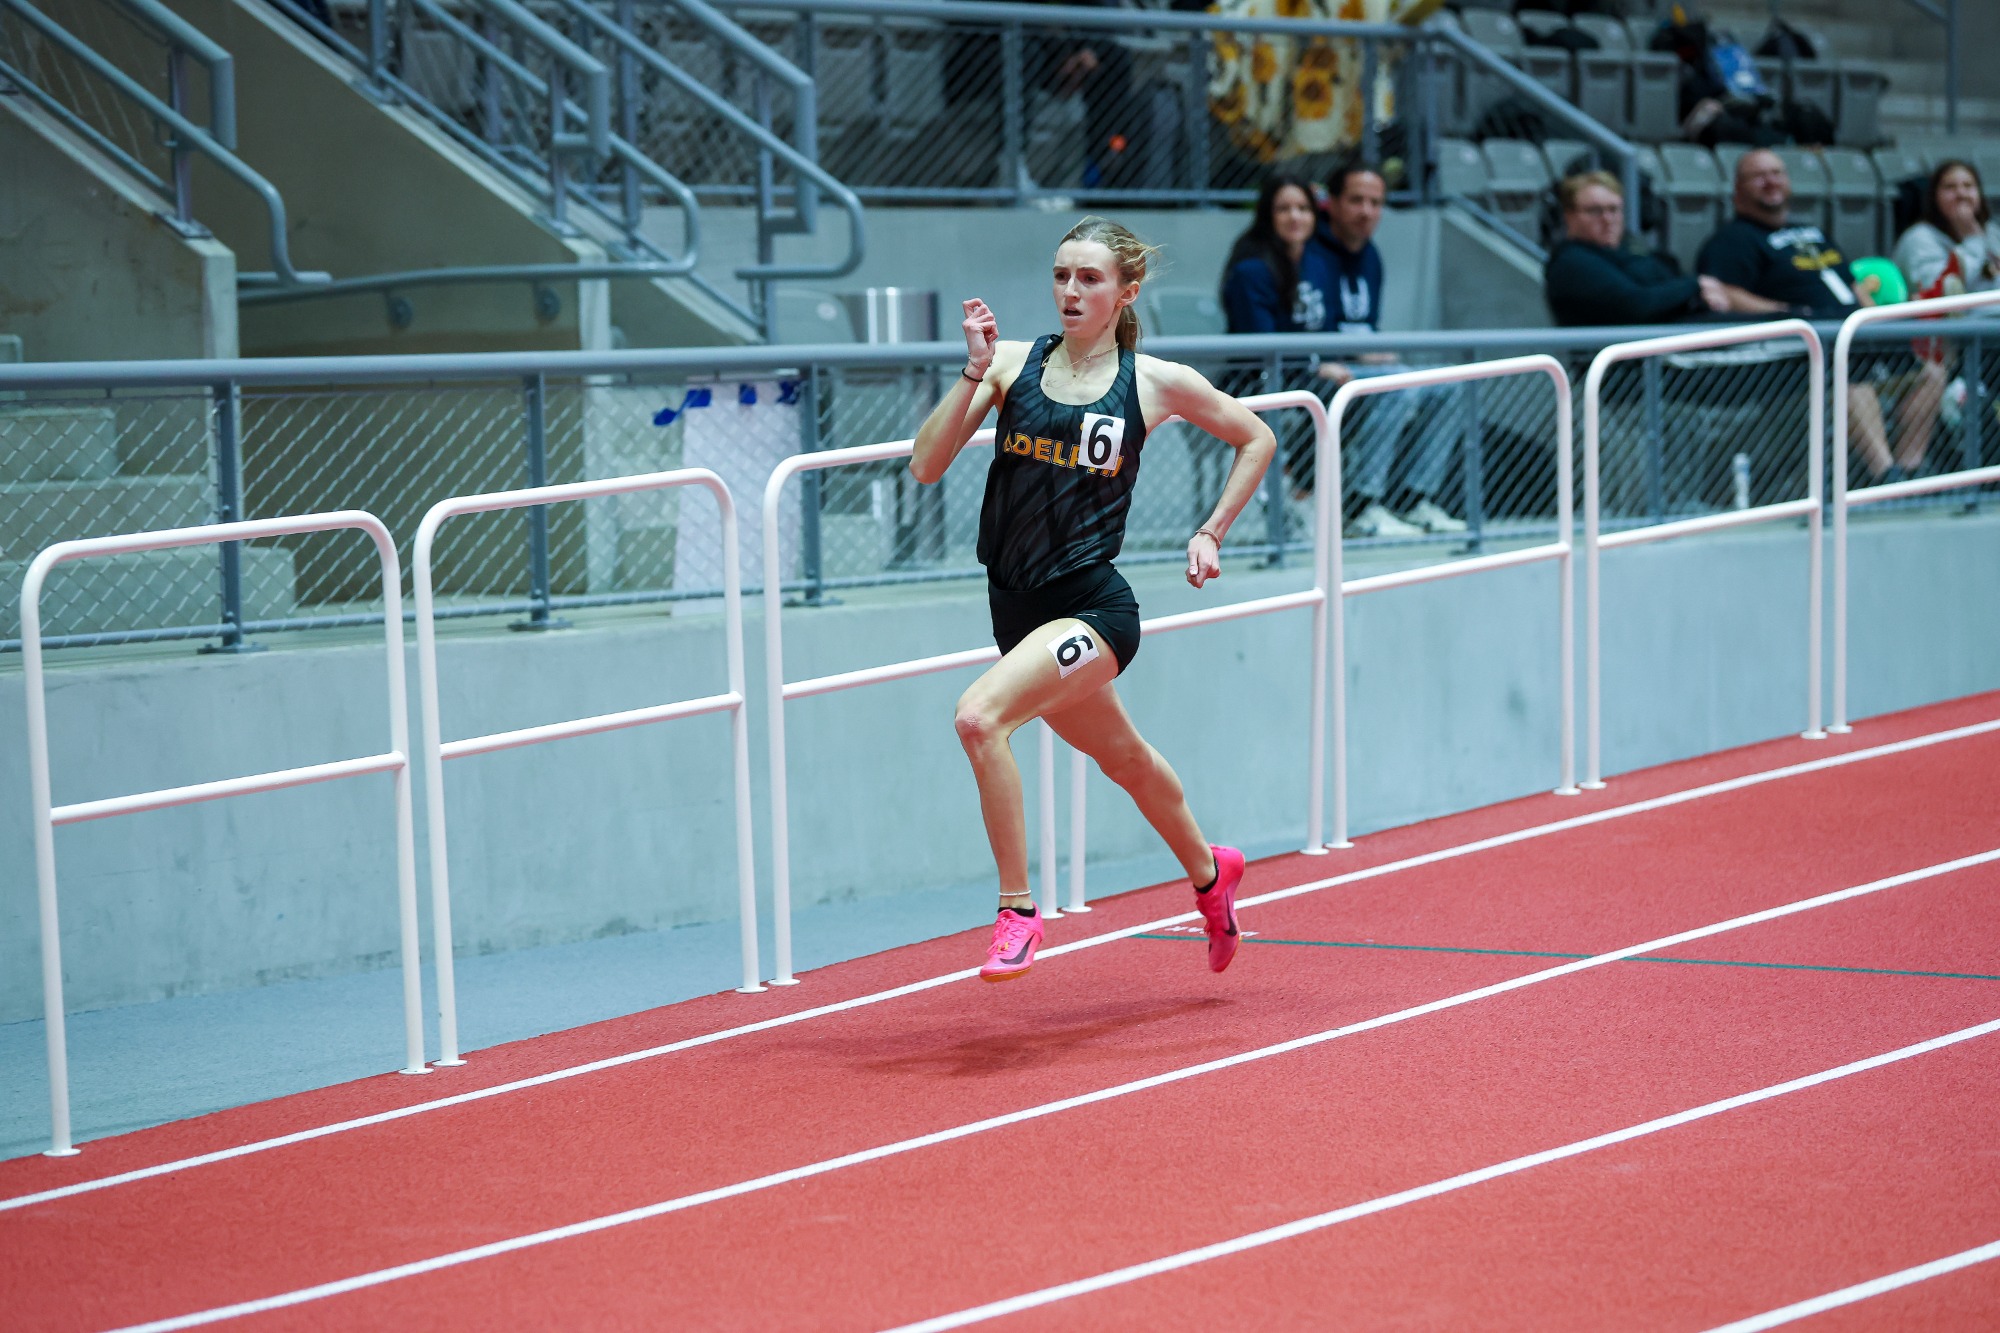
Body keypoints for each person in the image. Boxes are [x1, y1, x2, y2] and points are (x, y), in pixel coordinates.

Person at [911, 217, 1274, 983]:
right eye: (1061, 276)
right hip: (1016, 613)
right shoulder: (1010, 364)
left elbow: (1256, 438)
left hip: (1094, 610)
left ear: (1126, 291)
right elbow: (926, 466)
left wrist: (1211, 530)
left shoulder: (1152, 381)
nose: (1071, 291)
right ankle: (1214, 874)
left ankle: (1017, 912)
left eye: (1090, 279)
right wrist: (972, 373)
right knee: (1128, 761)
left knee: (980, 718)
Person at [1699, 148, 1944, 482]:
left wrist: (1878, 320)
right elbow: (1724, 292)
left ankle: (1910, 472)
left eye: (1777, 172)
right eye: (1759, 175)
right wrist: (1787, 314)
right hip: (1806, 358)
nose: (1771, 181)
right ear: (1737, 190)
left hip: (1860, 340)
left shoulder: (1813, 232)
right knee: (1850, 384)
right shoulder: (1732, 239)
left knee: (1931, 373)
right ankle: (1884, 475)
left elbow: (1852, 284)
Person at [1317, 162, 1466, 538]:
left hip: (1368, 369)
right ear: (1332, 203)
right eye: (1356, 200)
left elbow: (1367, 325)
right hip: (1324, 373)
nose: (1366, 211)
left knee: (1451, 385)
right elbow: (1309, 328)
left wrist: (1374, 351)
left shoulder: (1371, 256)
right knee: (1397, 383)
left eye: (1375, 202)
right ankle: (1361, 504)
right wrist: (1359, 353)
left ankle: (1412, 497)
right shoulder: (1310, 253)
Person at [1545, 171, 1733, 325]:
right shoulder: (1570, 262)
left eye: (1614, 209)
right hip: (1623, 366)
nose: (1607, 219)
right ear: (1569, 216)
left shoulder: (1630, 250)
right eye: (1594, 211)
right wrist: (1695, 285)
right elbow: (1638, 305)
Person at [1894, 159, 2000, 298]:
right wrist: (1971, 237)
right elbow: (1943, 292)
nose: (1961, 194)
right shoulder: (1918, 238)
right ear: (1934, 197)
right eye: (1950, 187)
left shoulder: (1991, 231)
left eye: (1968, 186)